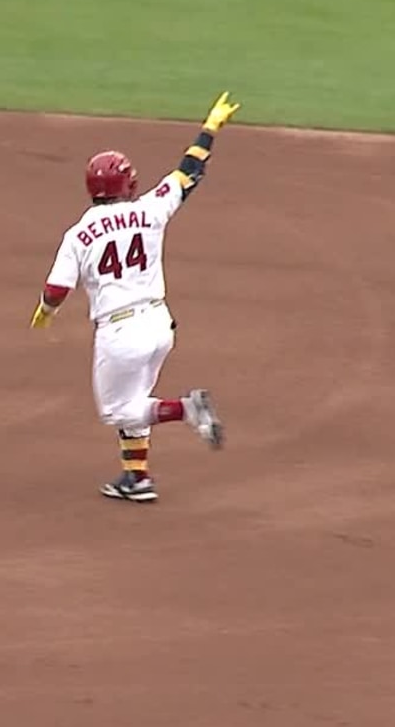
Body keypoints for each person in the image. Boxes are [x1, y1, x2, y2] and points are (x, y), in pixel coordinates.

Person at [28, 92, 241, 502]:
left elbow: (55, 290)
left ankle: (187, 409)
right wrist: (210, 127)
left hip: (121, 333)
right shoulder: (151, 209)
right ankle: (136, 478)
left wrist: (45, 313)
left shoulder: (78, 234)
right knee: (136, 401)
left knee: (118, 410)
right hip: (160, 324)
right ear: (129, 183)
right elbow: (188, 173)